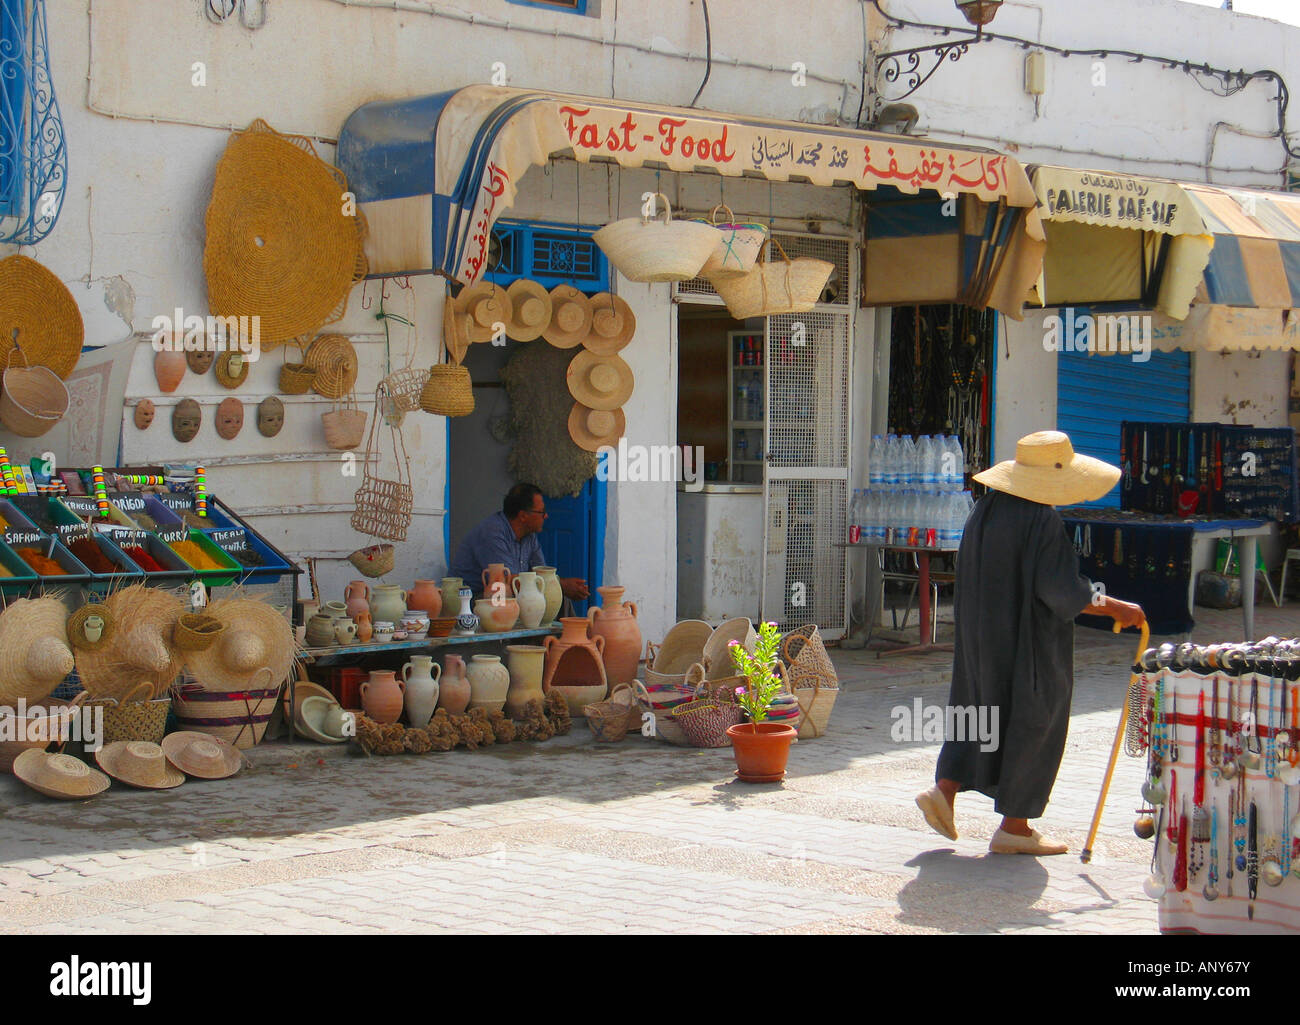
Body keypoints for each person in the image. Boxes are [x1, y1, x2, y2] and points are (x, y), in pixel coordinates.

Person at [915, 431, 1146, 856]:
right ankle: (1015, 826)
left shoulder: (984, 510)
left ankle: (943, 791)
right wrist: (1117, 607)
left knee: (977, 706)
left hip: (980, 637)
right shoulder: (1042, 522)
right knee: (1035, 718)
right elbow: (1063, 591)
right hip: (1028, 644)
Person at [450, 483, 589, 602]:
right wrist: (562, 585)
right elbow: (507, 581)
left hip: (510, 594)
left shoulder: (530, 536)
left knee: (558, 600)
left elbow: (542, 574)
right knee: (510, 596)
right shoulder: (492, 532)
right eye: (542, 512)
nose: (546, 516)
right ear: (523, 516)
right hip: (471, 600)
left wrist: (560, 586)